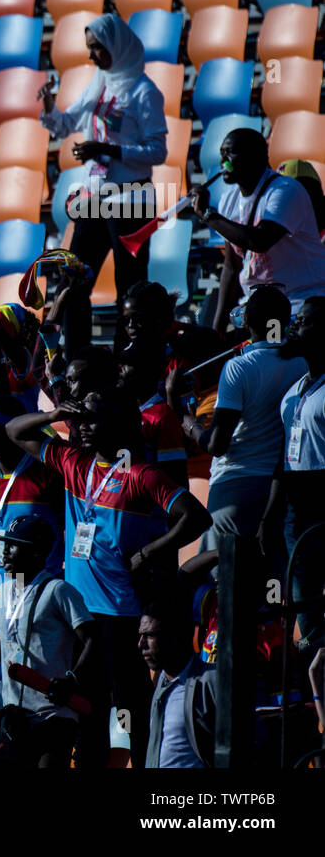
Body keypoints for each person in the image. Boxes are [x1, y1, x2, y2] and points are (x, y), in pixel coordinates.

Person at [7, 392, 213, 767]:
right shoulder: (73, 463)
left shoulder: (141, 474)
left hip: (121, 616)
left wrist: (149, 552)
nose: (82, 428)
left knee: (130, 712)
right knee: (88, 714)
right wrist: (53, 413)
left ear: (117, 426)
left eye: (92, 421)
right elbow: (14, 430)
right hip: (79, 617)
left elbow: (197, 517)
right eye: (80, 420)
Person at [39, 13, 168, 352]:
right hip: (95, 195)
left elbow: (157, 150)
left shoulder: (144, 92)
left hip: (131, 196)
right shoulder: (99, 84)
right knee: (75, 278)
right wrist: (49, 102)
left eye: (97, 48)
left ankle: (129, 356)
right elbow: (65, 125)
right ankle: (75, 355)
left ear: (115, 46)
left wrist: (107, 148)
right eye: (90, 48)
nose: (91, 55)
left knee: (130, 283)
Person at [167, 286, 307, 556]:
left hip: (236, 484)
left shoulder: (239, 367)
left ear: (248, 321)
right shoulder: (301, 362)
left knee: (222, 580)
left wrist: (184, 417)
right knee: (270, 574)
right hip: (279, 488)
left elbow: (216, 444)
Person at [0, 516, 98, 768]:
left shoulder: (58, 590)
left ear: (37, 552)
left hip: (53, 716)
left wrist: (72, 679)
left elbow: (93, 639)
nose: (5, 552)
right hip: (14, 717)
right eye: (5, 544)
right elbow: (3, 640)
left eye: (13, 545)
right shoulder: (5, 590)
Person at [0, 398, 66, 740]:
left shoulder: (46, 473)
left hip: (37, 598)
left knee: (35, 686)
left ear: (10, 432)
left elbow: (64, 533)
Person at [193, 127, 325, 333]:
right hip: (256, 312)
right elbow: (232, 267)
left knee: (270, 358)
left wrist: (208, 215)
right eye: (221, 154)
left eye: (230, 152)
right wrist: (216, 331)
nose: (223, 161)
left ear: (254, 156)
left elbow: (259, 240)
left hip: (298, 307)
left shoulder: (285, 190)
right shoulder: (229, 201)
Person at [259, 297, 325, 649]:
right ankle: (314, 654)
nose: (294, 328)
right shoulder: (293, 392)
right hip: (293, 503)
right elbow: (282, 460)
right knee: (301, 591)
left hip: (320, 496)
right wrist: (270, 513)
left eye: (304, 321)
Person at [140, 594, 216, 768]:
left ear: (176, 636)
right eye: (141, 635)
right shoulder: (161, 683)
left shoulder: (210, 681)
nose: (141, 644)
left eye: (150, 635)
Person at [118, 343, 189, 487]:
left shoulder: (162, 416)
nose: (120, 370)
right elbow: (122, 468)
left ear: (147, 373)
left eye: (128, 365)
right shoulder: (121, 411)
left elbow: (175, 478)